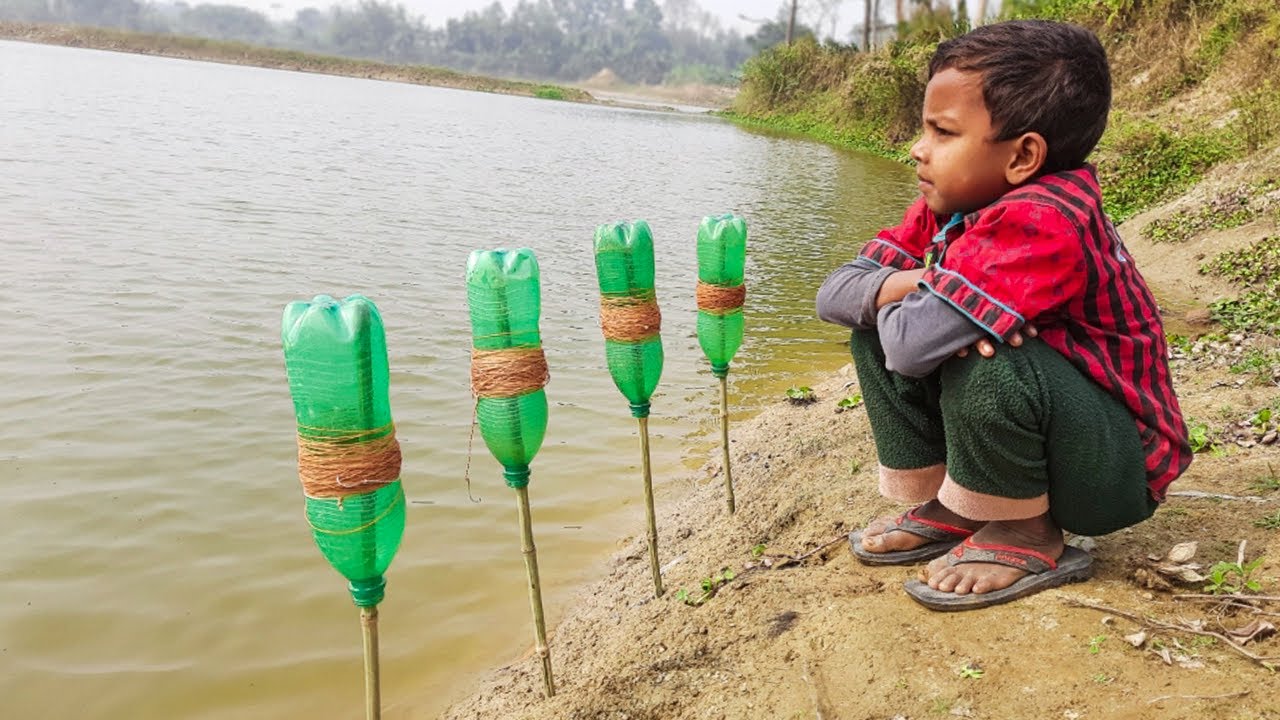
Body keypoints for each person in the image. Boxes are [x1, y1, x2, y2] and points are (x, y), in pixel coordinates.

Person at [814, 19, 1192, 611]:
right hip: (1063, 436)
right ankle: (959, 506)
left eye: (942, 132)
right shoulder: (950, 204)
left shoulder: (1043, 219)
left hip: (1114, 467)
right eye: (925, 128)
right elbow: (833, 295)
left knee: (984, 358)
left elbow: (910, 344)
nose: (917, 149)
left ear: (1023, 156)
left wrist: (924, 308)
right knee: (895, 330)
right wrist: (931, 286)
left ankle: (1025, 530)